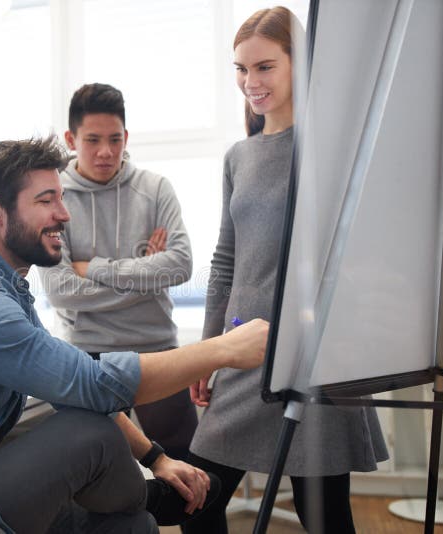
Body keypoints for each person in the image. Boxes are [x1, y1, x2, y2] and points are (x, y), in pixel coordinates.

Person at [0, 136, 269, 534]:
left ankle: (147, 503)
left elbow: (69, 387)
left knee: (130, 526)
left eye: (61, 197)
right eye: (46, 200)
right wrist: (224, 349)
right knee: (91, 435)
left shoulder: (3, 290)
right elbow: (94, 384)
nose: (63, 214)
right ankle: (150, 498)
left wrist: (157, 458)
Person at [182, 7, 388, 534]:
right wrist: (206, 352)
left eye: (265, 67)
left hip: (311, 360)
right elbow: (225, 262)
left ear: (301, 63)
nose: (250, 83)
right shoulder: (238, 157)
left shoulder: (334, 149)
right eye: (241, 69)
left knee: (323, 517)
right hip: (242, 353)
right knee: (195, 501)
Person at [39, 82, 199, 461]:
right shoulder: (53, 198)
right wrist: (146, 275)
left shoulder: (155, 189)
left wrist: (93, 268)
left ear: (126, 136)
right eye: (93, 139)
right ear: (71, 139)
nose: (106, 151)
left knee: (193, 473)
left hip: (155, 347)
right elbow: (60, 289)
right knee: (100, 479)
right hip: (87, 356)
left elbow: (180, 264)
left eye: (115, 139)